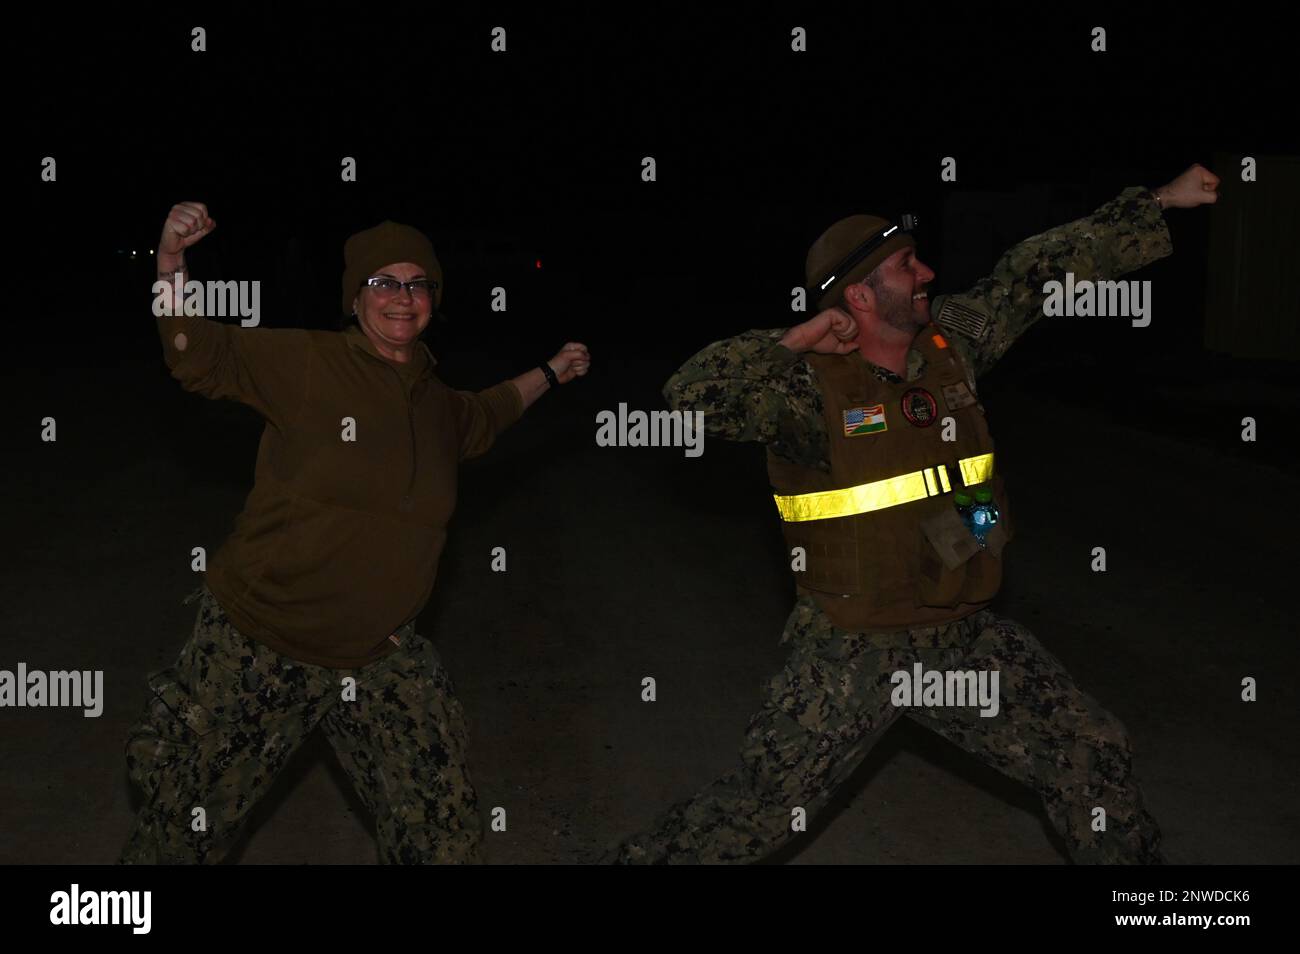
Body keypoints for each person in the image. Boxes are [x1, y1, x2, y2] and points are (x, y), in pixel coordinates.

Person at [606, 165, 1220, 864]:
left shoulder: (948, 348)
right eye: (906, 266)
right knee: (753, 817)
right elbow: (689, 398)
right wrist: (799, 340)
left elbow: (1033, 273)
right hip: (853, 647)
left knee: (1087, 747)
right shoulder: (808, 396)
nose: (927, 272)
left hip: (958, 633)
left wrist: (1157, 204)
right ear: (860, 295)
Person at [121, 202, 590, 864]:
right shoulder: (309, 363)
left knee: (441, 836)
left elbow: (489, 413)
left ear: (433, 298)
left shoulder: (436, 402)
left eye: (416, 283)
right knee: (181, 832)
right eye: (382, 283)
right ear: (355, 296)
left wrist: (551, 372)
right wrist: (170, 261)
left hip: (379, 657)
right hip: (263, 645)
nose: (402, 297)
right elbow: (199, 357)